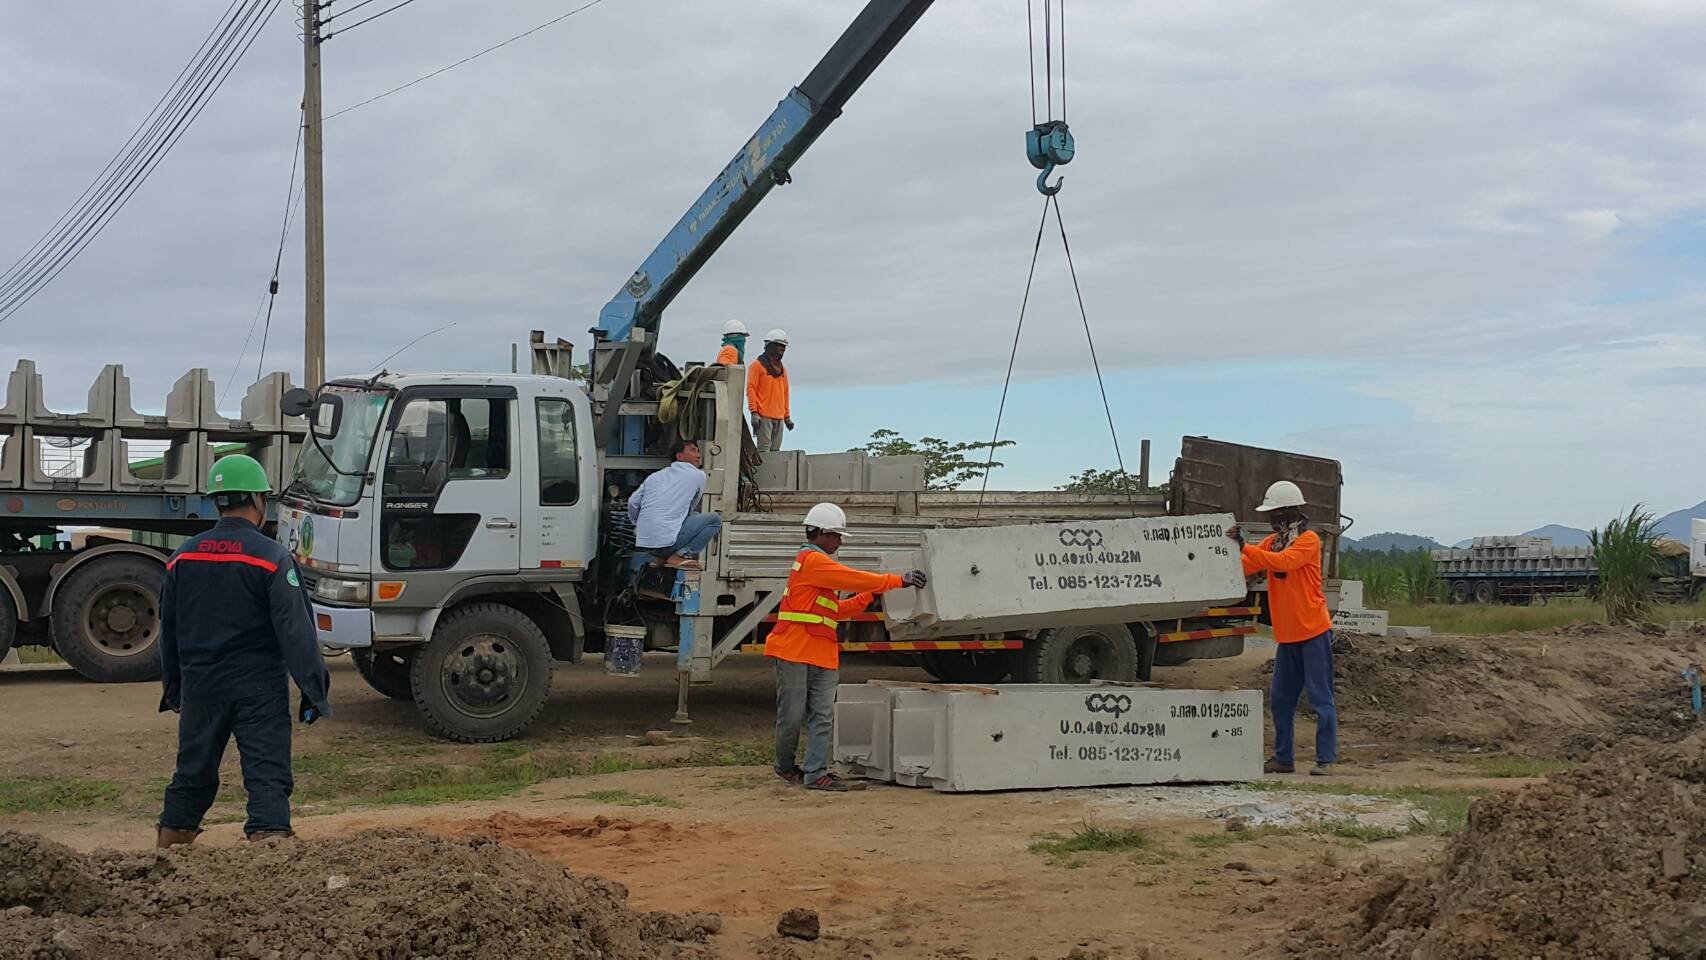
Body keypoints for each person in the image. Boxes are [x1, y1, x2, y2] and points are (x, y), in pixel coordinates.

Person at [156, 454, 331, 846]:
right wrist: (313, 690)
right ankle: (267, 871)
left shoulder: (181, 558)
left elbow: (168, 633)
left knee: (192, 775)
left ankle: (165, 866)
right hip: (259, 692)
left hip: (202, 688)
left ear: (216, 501)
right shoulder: (272, 558)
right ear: (258, 500)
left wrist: (173, 688)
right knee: (267, 776)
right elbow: (296, 632)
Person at [768, 502, 925, 792]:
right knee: (791, 716)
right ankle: (786, 767)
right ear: (821, 533)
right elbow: (852, 577)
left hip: (820, 652)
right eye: (837, 535)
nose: (840, 541)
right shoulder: (813, 560)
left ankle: (815, 774)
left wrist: (869, 595)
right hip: (794, 650)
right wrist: (895, 581)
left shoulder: (817, 568)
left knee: (822, 717)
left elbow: (834, 611)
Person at [1229, 480, 1337, 776]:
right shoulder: (1272, 543)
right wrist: (1220, 557)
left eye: (1275, 513)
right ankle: (1284, 759)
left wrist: (1247, 547)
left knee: (1320, 698)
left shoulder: (1308, 541)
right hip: (1288, 636)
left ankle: (1325, 759)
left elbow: (1284, 563)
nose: (1271, 520)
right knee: (1280, 699)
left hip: (1313, 631)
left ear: (1290, 511)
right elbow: (1248, 565)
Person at [628, 438, 722, 571]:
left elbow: (633, 502)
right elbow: (690, 506)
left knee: (691, 517)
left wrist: (639, 524)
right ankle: (680, 555)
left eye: (698, 451)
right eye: (693, 450)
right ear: (679, 456)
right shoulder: (698, 475)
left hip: (645, 543)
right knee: (714, 520)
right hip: (667, 542)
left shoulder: (655, 476)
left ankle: (661, 558)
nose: (699, 455)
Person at [747, 329, 792, 453]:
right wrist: (754, 412)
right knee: (764, 452)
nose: (782, 351)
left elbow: (785, 393)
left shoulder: (783, 370)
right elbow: (751, 389)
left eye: (783, 348)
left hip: (779, 417)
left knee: (775, 453)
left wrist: (787, 417)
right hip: (764, 416)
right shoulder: (756, 366)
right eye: (779, 348)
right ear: (770, 347)